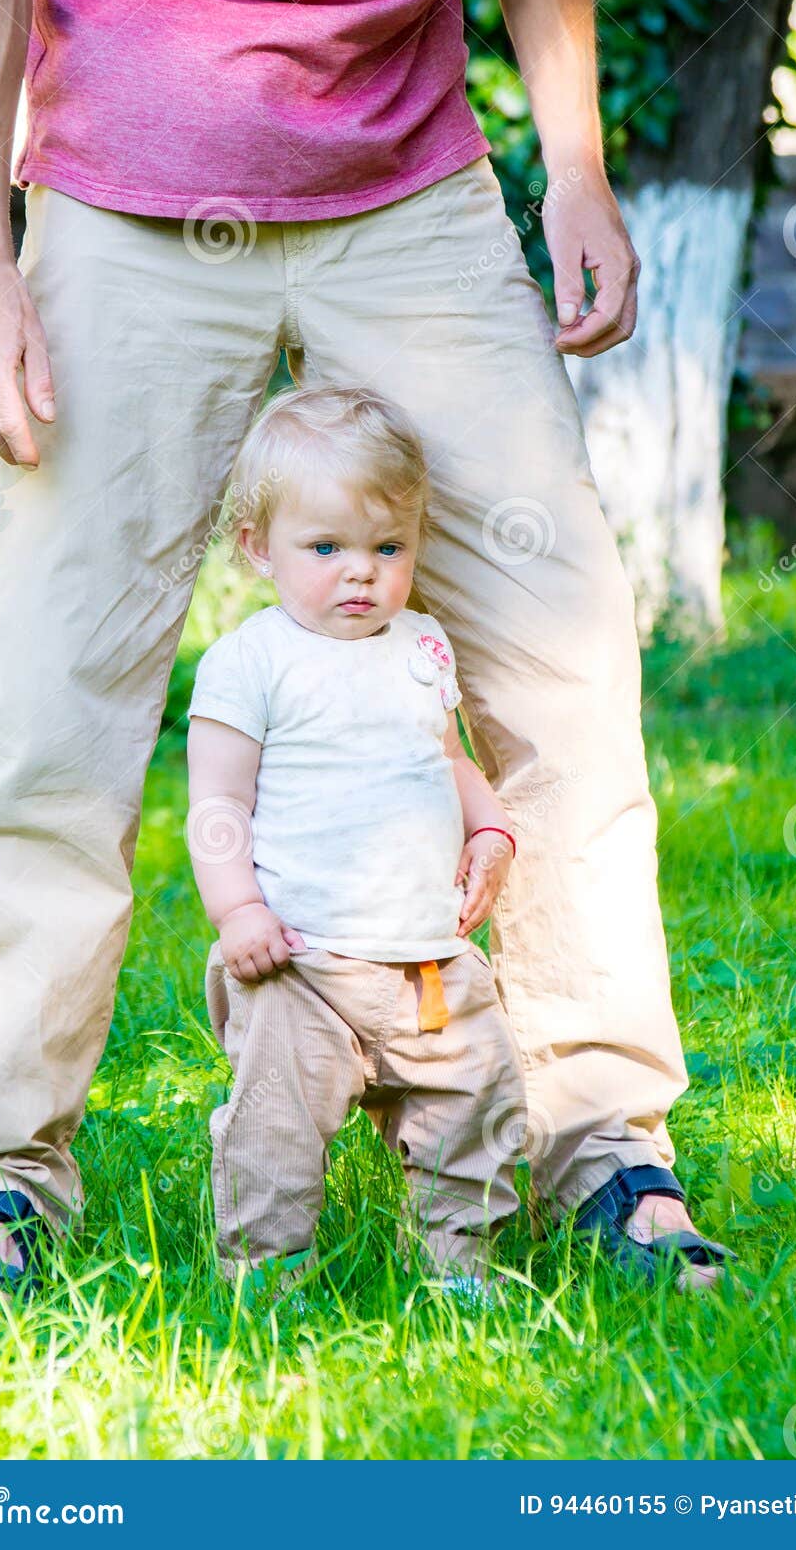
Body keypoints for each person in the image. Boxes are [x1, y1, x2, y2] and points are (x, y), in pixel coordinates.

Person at [0, 0, 736, 1296]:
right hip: (129, 195)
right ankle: (6, 1168)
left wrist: (577, 169)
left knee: (562, 657)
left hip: (406, 196)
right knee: (54, 696)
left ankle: (606, 1143)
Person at [187, 385, 526, 1297]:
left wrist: (489, 824)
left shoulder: (422, 644)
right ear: (258, 546)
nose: (361, 574)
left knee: (474, 1101)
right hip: (302, 962)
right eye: (326, 548)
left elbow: (447, 758)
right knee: (276, 1126)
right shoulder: (251, 661)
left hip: (427, 959)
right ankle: (266, 1271)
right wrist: (239, 910)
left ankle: (458, 1259)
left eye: (388, 548)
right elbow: (217, 804)